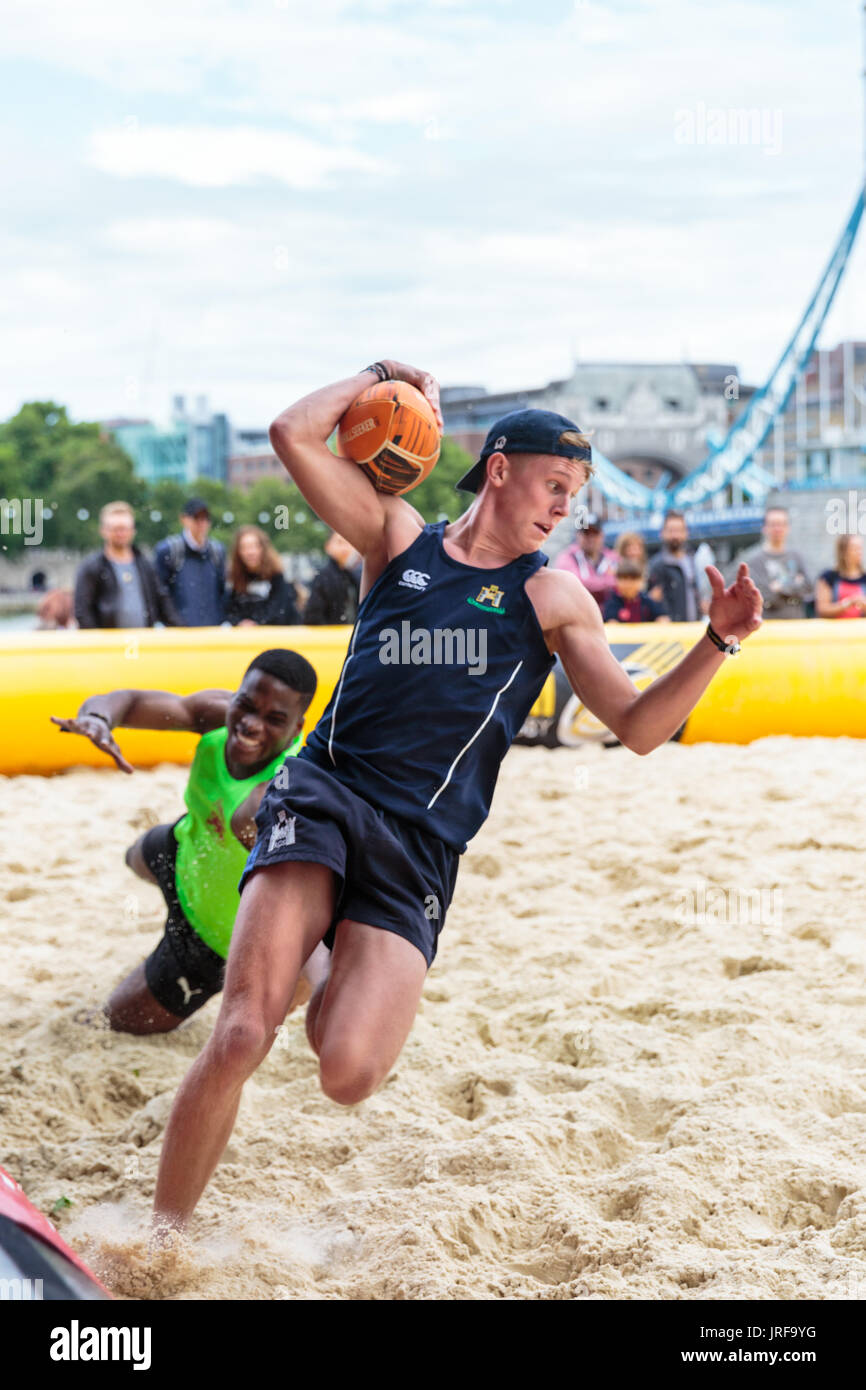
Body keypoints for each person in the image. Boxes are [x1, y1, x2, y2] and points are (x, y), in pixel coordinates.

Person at [150, 358, 762, 1235]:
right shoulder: (399, 538)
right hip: (326, 791)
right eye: (555, 484)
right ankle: (160, 1243)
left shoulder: (551, 595)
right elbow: (293, 434)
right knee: (245, 1033)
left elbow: (635, 723)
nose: (564, 507)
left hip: (420, 847)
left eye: (577, 493)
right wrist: (376, 374)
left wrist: (716, 641)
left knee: (347, 1071)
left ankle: (316, 951)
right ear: (501, 467)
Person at [50, 650, 322, 1033]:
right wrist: (98, 718)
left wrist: (304, 976)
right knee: (134, 856)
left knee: (112, 1022)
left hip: (209, 937)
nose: (250, 725)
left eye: (274, 719)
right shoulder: (216, 713)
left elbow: (312, 894)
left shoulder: (283, 791)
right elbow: (129, 700)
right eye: (245, 705)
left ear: (297, 729)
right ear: (236, 695)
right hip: (182, 851)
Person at [74, 501, 178, 629]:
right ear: (103, 531)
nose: (120, 533)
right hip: (107, 644)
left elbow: (162, 601)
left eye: (124, 528)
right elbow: (83, 610)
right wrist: (96, 642)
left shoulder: (145, 566)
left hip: (143, 642)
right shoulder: (92, 567)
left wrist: (182, 630)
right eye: (115, 529)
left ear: (132, 530)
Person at [154, 498, 226, 627]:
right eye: (196, 518)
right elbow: (161, 593)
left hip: (211, 629)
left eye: (205, 518)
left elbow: (222, 590)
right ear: (184, 519)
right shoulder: (169, 550)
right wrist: (176, 622)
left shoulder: (217, 551)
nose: (201, 523)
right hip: (180, 632)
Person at [737, 507, 812, 619]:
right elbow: (763, 596)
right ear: (765, 528)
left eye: (782, 524)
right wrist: (793, 585)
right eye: (773, 524)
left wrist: (779, 587)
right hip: (768, 627)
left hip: (796, 625)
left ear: (788, 527)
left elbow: (808, 588)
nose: (778, 529)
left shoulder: (796, 557)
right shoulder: (755, 560)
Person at [225, 526, 302, 627]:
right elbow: (230, 610)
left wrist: (258, 623)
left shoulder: (277, 576)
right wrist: (240, 622)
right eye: (244, 547)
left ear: (262, 548)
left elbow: (279, 610)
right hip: (247, 638)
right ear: (238, 552)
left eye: (254, 546)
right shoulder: (235, 579)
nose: (250, 552)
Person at [647, 511, 705, 621]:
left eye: (679, 530)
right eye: (671, 531)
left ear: (686, 533)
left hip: (694, 627)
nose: (675, 535)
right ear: (662, 533)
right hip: (670, 631)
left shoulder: (693, 560)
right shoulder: (657, 564)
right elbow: (652, 600)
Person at [553, 512, 618, 610]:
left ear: (602, 535)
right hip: (578, 613)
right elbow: (572, 584)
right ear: (578, 535)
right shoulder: (567, 557)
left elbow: (621, 582)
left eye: (595, 533)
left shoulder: (612, 557)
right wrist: (605, 584)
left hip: (609, 617)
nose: (591, 538)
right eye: (586, 533)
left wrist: (589, 584)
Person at [303, 530, 361, 624]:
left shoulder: (353, 576)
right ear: (328, 546)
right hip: (329, 636)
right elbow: (313, 616)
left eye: (349, 543)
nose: (345, 548)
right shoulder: (322, 577)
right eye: (339, 542)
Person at [814, 535, 866, 618]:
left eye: (860, 548)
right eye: (854, 548)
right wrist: (849, 603)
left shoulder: (864, 578)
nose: (859, 552)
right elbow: (822, 610)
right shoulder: (829, 577)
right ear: (844, 552)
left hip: (860, 629)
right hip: (834, 629)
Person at [602, 560, 670, 624]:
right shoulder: (612, 603)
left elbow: (663, 618)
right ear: (617, 581)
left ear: (641, 581)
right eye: (624, 579)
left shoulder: (646, 600)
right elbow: (611, 624)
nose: (628, 584)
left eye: (633, 579)